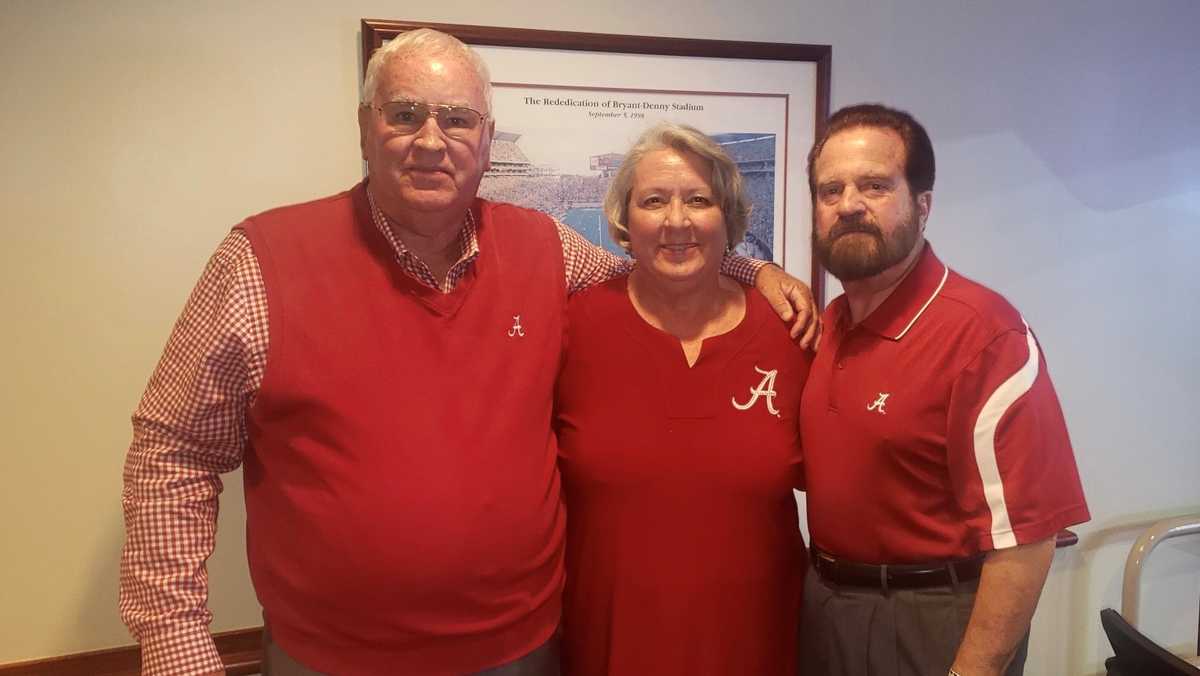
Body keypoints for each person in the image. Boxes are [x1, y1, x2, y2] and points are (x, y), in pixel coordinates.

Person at [118, 29, 817, 676]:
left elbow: (662, 266)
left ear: (485, 140)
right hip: (332, 659)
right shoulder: (261, 262)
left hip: (523, 650)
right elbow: (173, 450)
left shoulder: (543, 250)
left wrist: (756, 271)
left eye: (456, 120)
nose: (431, 140)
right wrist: (175, 642)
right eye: (405, 115)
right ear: (366, 128)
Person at [797, 103, 1090, 676]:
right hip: (827, 604)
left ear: (923, 205)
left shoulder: (985, 336)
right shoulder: (828, 326)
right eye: (830, 191)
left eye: (875, 185)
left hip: (933, 619)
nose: (849, 204)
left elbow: (1027, 540)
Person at [554, 122, 813, 675]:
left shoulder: (790, 331)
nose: (677, 221)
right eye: (653, 201)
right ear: (625, 223)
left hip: (758, 648)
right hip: (606, 647)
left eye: (699, 200)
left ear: (729, 219)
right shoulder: (573, 327)